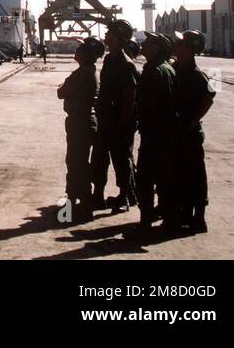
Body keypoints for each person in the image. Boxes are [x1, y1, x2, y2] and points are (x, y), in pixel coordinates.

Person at [168, 30, 215, 232]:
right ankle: (183, 213)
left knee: (195, 175)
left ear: (190, 49)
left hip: (189, 134)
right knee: (178, 174)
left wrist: (191, 123)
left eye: (180, 45)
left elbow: (208, 99)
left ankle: (199, 217)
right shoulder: (174, 68)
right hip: (176, 131)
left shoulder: (197, 75)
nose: (176, 47)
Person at [91, 20, 139, 212]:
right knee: (100, 158)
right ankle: (98, 194)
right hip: (106, 119)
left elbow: (130, 97)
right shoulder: (110, 59)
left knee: (121, 160)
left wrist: (123, 123)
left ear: (119, 38)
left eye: (109, 34)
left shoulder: (125, 63)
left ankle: (125, 197)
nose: (106, 36)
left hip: (119, 121)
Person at [58, 37, 104, 221]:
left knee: (78, 164)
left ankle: (83, 208)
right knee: (77, 162)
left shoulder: (82, 74)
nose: (77, 50)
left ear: (88, 54)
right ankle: (74, 204)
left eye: (82, 48)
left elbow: (61, 92)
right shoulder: (87, 72)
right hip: (83, 121)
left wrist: (63, 87)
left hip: (80, 122)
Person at [135, 32, 177, 231]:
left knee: (145, 178)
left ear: (157, 48)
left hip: (154, 132)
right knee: (164, 176)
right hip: (165, 131)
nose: (142, 45)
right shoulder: (168, 68)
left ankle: (145, 225)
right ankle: (166, 219)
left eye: (148, 43)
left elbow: (148, 104)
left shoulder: (153, 69)